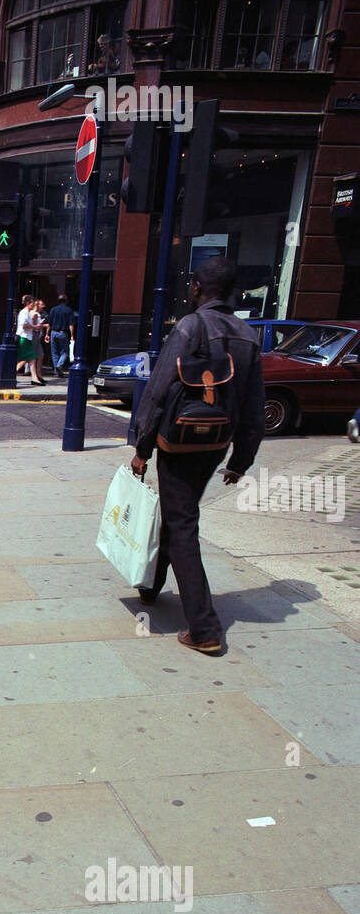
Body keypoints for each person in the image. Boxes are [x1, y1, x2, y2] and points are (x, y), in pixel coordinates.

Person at [131, 256, 266, 655]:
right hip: (215, 443)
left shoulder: (190, 326)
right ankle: (151, 586)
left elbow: (158, 389)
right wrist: (241, 459)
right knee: (180, 510)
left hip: (179, 440)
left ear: (196, 288)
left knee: (183, 520)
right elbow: (254, 406)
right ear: (232, 291)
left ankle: (204, 628)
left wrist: (142, 446)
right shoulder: (247, 334)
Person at [47, 294, 76, 377]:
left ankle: (56, 372)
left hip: (53, 332)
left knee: (54, 353)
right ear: (66, 301)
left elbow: (49, 323)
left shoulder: (53, 309)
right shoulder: (69, 310)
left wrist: (47, 334)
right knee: (65, 352)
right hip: (63, 333)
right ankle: (59, 365)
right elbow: (71, 324)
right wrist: (72, 335)